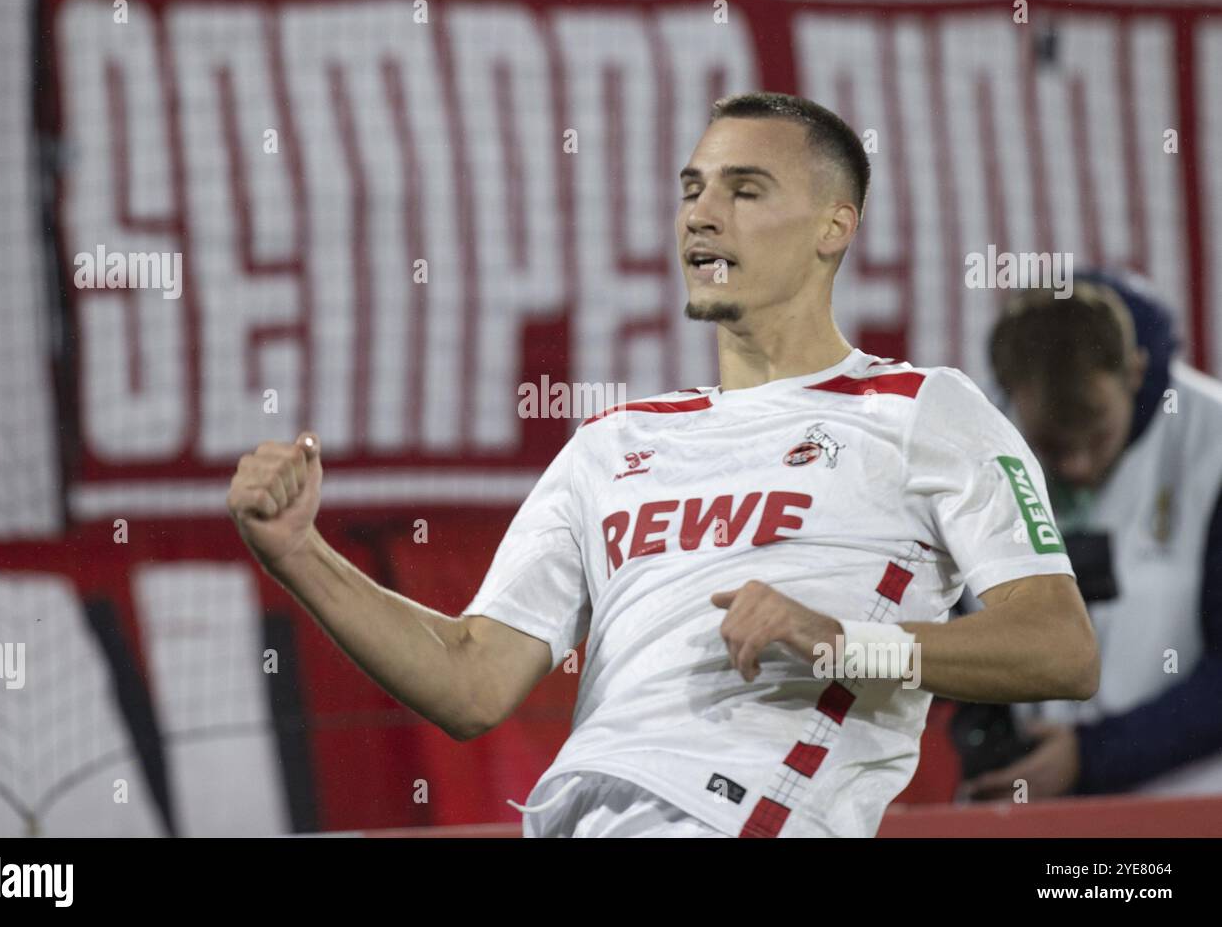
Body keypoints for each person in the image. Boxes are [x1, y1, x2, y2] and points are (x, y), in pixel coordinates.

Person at [226, 92, 1097, 838]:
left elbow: (1059, 648)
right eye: (692, 189)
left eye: (745, 190)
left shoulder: (921, 410)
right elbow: (470, 677)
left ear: (837, 226)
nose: (701, 214)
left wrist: (843, 644)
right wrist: (299, 555)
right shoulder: (614, 443)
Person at [965, 271, 1222, 799]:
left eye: (1097, 433)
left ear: (1136, 371)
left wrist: (1092, 756)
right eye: (1052, 445)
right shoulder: (971, 446)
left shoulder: (1212, 441)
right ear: (1011, 394)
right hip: (1029, 812)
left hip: (1190, 804)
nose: (1077, 466)